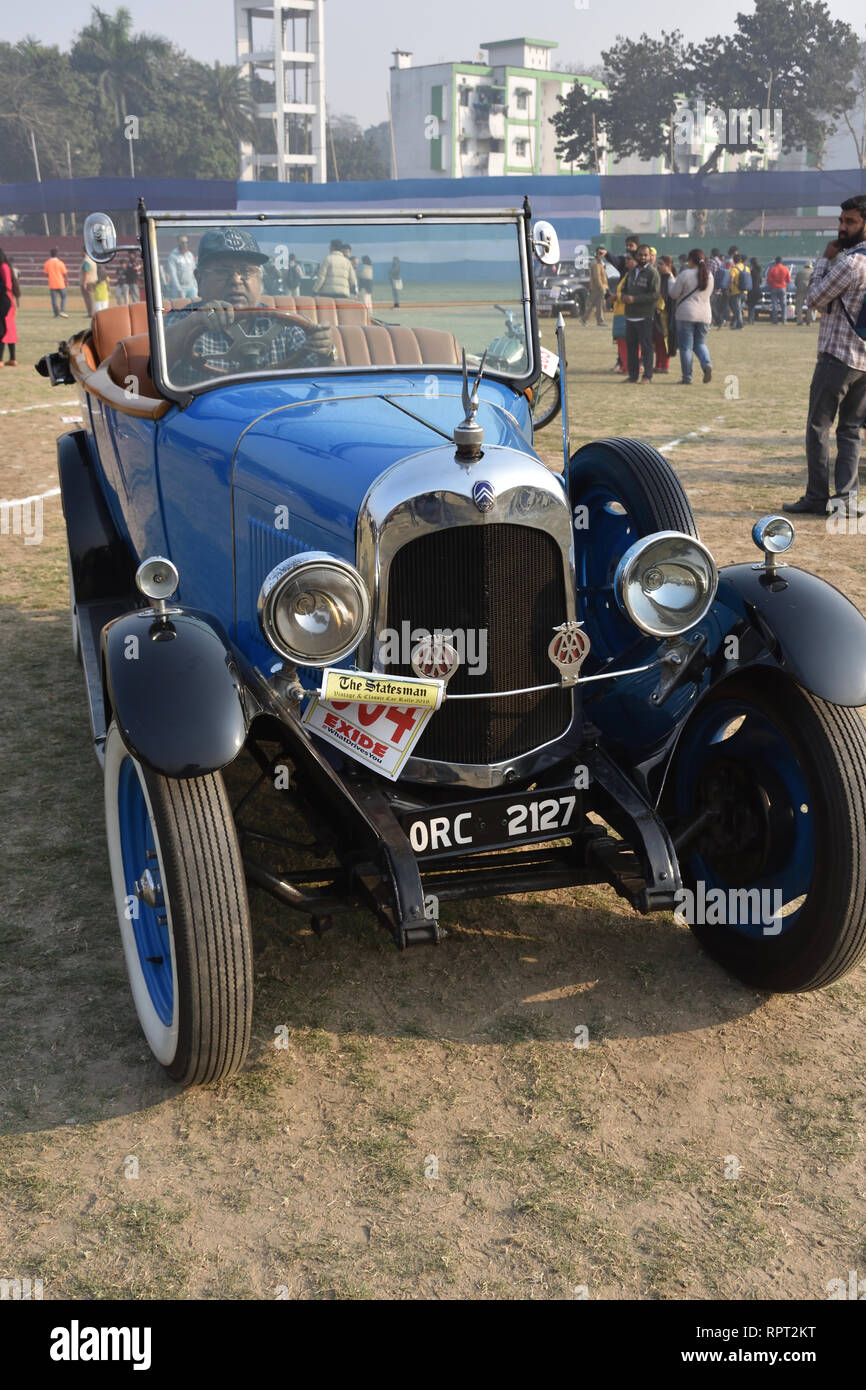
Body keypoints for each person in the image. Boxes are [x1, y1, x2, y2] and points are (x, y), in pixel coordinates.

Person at [163, 227, 335, 387]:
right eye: (223, 271)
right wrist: (195, 321)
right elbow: (150, 370)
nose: (236, 280)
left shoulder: (285, 325)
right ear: (199, 280)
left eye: (245, 271)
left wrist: (326, 352)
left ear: (259, 279)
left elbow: (332, 386)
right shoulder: (182, 321)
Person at [784, 196, 866, 517]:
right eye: (841, 221)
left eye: (850, 222)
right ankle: (846, 500)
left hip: (837, 356)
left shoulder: (849, 263)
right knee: (850, 431)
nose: (842, 227)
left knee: (818, 427)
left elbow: (814, 299)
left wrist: (822, 261)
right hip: (863, 360)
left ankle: (817, 496)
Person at [669, 248, 713, 385]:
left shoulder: (685, 274)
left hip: (686, 314)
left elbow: (674, 294)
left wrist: (671, 281)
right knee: (700, 343)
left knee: (686, 347)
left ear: (690, 260)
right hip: (705, 314)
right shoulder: (709, 275)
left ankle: (687, 377)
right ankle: (707, 364)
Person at [621, 244, 660, 383]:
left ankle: (647, 376)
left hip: (645, 316)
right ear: (636, 256)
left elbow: (655, 295)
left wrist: (635, 299)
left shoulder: (652, 273)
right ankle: (633, 376)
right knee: (631, 348)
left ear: (650, 256)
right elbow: (624, 289)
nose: (643, 257)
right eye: (640, 255)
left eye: (646, 255)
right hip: (630, 316)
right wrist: (623, 297)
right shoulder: (631, 272)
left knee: (646, 348)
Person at [654, 254, 677, 371]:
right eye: (658, 264)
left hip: (666, 315)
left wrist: (660, 307)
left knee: (664, 340)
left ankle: (665, 366)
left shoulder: (670, 279)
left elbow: (667, 298)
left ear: (669, 265)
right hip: (657, 315)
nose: (658, 266)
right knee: (658, 340)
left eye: (661, 264)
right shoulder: (660, 278)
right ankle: (658, 365)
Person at [0, 245, 20, 366]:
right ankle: (12, 358)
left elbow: (7, 284)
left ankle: (2, 359)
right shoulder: (5, 266)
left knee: (4, 329)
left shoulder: (3, 267)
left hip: (4, 300)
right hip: (6, 299)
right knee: (8, 329)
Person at [166, 234, 197, 301]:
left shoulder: (190, 255)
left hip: (191, 286)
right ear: (178, 243)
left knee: (195, 306)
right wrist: (178, 289)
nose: (185, 244)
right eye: (183, 242)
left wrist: (195, 286)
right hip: (180, 288)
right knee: (181, 309)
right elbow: (173, 275)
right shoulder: (173, 256)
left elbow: (194, 271)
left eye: (186, 242)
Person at [586, 247, 609, 325]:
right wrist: (601, 287)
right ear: (596, 253)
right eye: (599, 253)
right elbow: (597, 277)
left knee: (597, 304)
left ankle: (596, 320)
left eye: (602, 253)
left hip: (599, 287)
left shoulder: (599, 262)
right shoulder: (596, 263)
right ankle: (596, 320)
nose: (600, 255)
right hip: (597, 288)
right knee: (595, 305)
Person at [44, 247, 68, 317]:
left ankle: (56, 313)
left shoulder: (47, 263)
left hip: (52, 284)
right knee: (64, 297)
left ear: (50, 254)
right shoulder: (60, 263)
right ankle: (62, 310)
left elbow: (46, 273)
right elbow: (65, 274)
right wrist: (66, 281)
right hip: (61, 284)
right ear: (57, 254)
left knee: (54, 300)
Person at [766, 256, 791, 324]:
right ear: (781, 261)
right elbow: (788, 280)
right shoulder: (785, 269)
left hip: (774, 287)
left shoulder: (772, 269)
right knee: (783, 304)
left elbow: (768, 280)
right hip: (782, 287)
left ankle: (775, 320)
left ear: (775, 261)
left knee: (774, 305)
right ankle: (784, 320)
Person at [79, 249, 97, 317]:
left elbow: (87, 272)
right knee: (90, 298)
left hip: (88, 282)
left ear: (84, 252)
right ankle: (90, 313)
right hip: (92, 280)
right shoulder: (92, 259)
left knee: (89, 298)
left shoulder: (86, 261)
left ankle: (91, 313)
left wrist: (84, 283)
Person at [747, 257, 762, 323]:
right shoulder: (758, 273)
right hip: (757, 289)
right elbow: (760, 281)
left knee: (750, 305)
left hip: (751, 289)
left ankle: (751, 318)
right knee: (753, 305)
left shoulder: (751, 272)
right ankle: (753, 318)